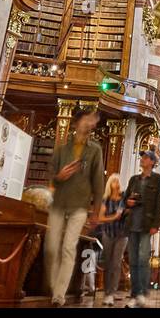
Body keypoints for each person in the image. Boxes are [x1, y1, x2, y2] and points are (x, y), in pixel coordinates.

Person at [46, 109, 103, 307]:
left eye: (93, 121)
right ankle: (55, 287)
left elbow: (98, 181)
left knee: (68, 247)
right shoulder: (62, 149)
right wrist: (58, 177)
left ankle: (59, 295)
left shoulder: (94, 150)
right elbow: (51, 175)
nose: (91, 124)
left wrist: (96, 211)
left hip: (79, 205)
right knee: (52, 249)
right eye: (87, 120)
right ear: (78, 122)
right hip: (59, 203)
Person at [123, 149, 160, 307]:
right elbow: (126, 197)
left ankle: (141, 292)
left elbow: (159, 203)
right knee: (133, 260)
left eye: (146, 157)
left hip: (147, 225)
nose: (143, 159)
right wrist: (129, 202)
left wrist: (156, 224)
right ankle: (135, 293)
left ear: (152, 162)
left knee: (142, 259)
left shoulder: (158, 180)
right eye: (142, 157)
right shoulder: (134, 179)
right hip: (132, 222)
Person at [94, 173, 129, 306]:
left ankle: (111, 293)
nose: (117, 183)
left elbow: (129, 210)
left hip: (122, 234)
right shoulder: (106, 200)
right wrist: (113, 218)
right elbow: (100, 218)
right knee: (108, 262)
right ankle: (107, 292)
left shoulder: (124, 198)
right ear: (110, 184)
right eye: (114, 181)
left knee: (116, 263)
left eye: (118, 181)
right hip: (108, 233)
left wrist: (125, 213)